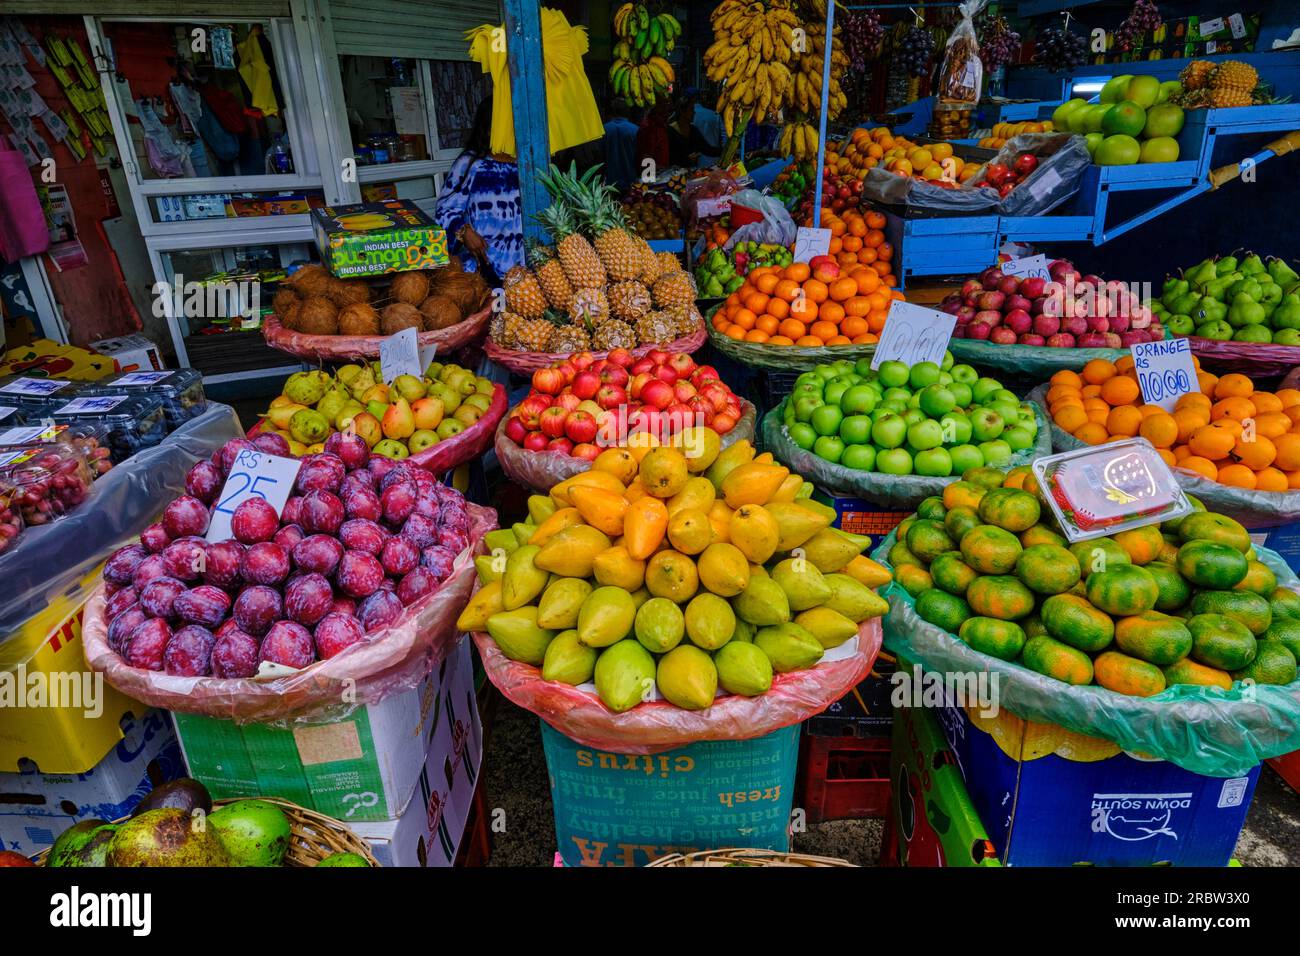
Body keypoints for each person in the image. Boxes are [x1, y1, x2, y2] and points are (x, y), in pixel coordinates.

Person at [434, 97, 523, 285]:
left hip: (525, 274)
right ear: (489, 128)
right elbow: (444, 211)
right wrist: (464, 231)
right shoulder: (470, 164)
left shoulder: (526, 165)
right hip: (483, 272)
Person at [601, 98, 641, 189]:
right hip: (631, 181)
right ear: (628, 111)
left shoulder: (603, 129)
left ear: (611, 111)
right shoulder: (635, 130)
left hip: (610, 182)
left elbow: (599, 156)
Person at [636, 99, 671, 174]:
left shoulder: (662, 125)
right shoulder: (648, 127)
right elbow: (646, 157)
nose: (666, 107)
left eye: (667, 103)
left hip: (662, 174)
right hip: (654, 177)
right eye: (662, 104)